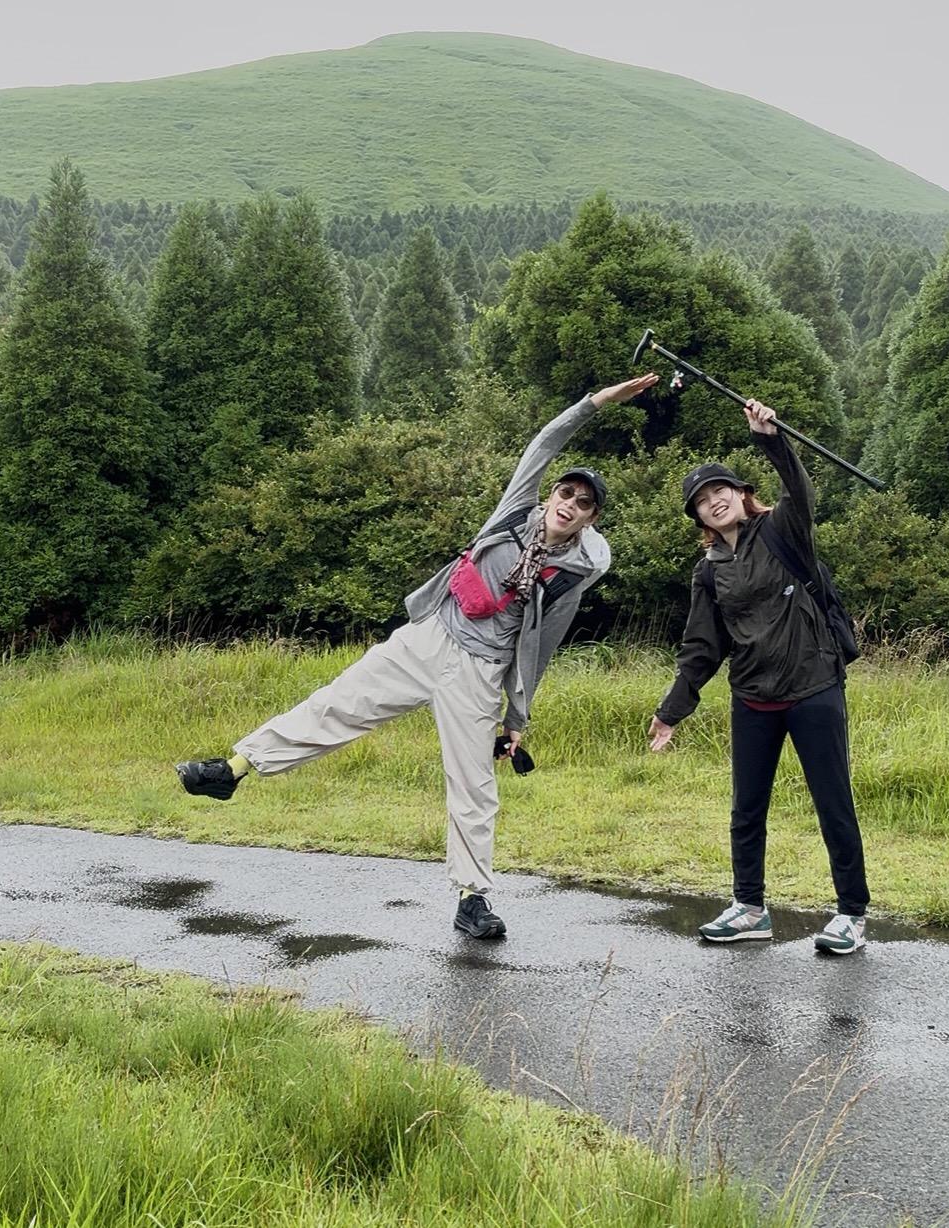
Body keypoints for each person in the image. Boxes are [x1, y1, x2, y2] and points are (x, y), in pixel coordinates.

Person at [177, 371, 659, 940]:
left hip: (481, 673)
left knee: (474, 784)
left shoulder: (570, 575)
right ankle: (233, 770)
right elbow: (543, 444)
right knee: (335, 705)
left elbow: (541, 646)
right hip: (427, 638)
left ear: (591, 518)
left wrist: (516, 719)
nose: (570, 504)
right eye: (566, 493)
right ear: (552, 494)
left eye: (583, 504)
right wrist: (597, 403)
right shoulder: (513, 513)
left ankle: (472, 898)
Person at [648, 398, 870, 955]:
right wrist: (673, 709)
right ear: (697, 518)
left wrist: (770, 439)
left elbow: (802, 493)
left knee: (832, 800)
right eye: (701, 500)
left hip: (814, 685)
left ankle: (852, 915)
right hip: (752, 697)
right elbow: (701, 647)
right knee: (747, 807)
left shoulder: (782, 530)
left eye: (720, 489)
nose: (713, 500)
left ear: (740, 493)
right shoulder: (709, 571)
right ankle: (750, 907)